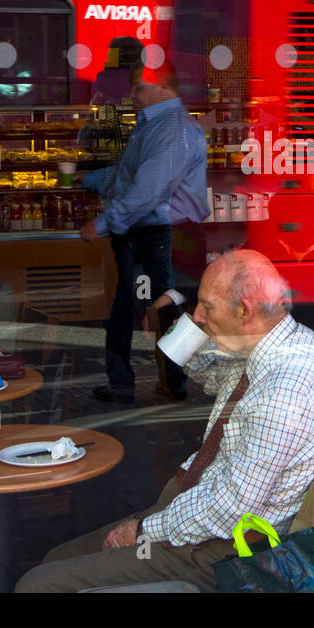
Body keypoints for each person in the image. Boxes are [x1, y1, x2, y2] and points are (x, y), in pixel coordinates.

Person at [16, 250, 314, 592]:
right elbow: (217, 379)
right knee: (57, 557)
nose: (199, 315)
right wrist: (184, 334)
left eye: (206, 305)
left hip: (219, 548)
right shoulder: (279, 342)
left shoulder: (282, 393)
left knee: (38, 585)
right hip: (192, 511)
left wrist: (144, 531)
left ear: (245, 310)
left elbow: (229, 510)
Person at [80, 51, 208, 403]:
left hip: (158, 234)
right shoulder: (154, 123)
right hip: (157, 233)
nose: (132, 95)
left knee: (142, 309)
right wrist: (88, 179)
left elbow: (147, 191)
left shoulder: (169, 130)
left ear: (164, 88)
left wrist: (103, 222)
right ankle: (168, 382)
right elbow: (128, 174)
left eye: (139, 88)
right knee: (156, 308)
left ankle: (148, 384)